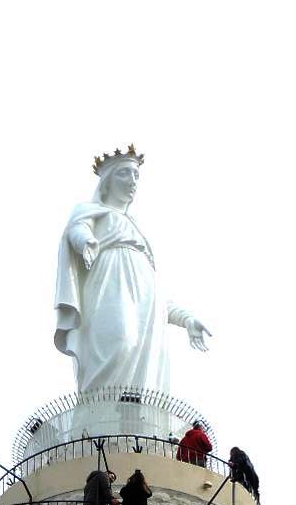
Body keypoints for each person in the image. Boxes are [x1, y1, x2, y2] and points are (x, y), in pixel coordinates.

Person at [54, 146, 210, 397]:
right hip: (108, 286)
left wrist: (187, 319)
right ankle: (97, 412)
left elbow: (154, 295)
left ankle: (134, 412)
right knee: (121, 341)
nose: (133, 181)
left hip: (147, 305)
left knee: (145, 357)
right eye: (124, 173)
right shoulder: (91, 212)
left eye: (136, 175)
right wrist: (86, 242)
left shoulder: (139, 234)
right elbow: (77, 229)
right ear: (107, 181)